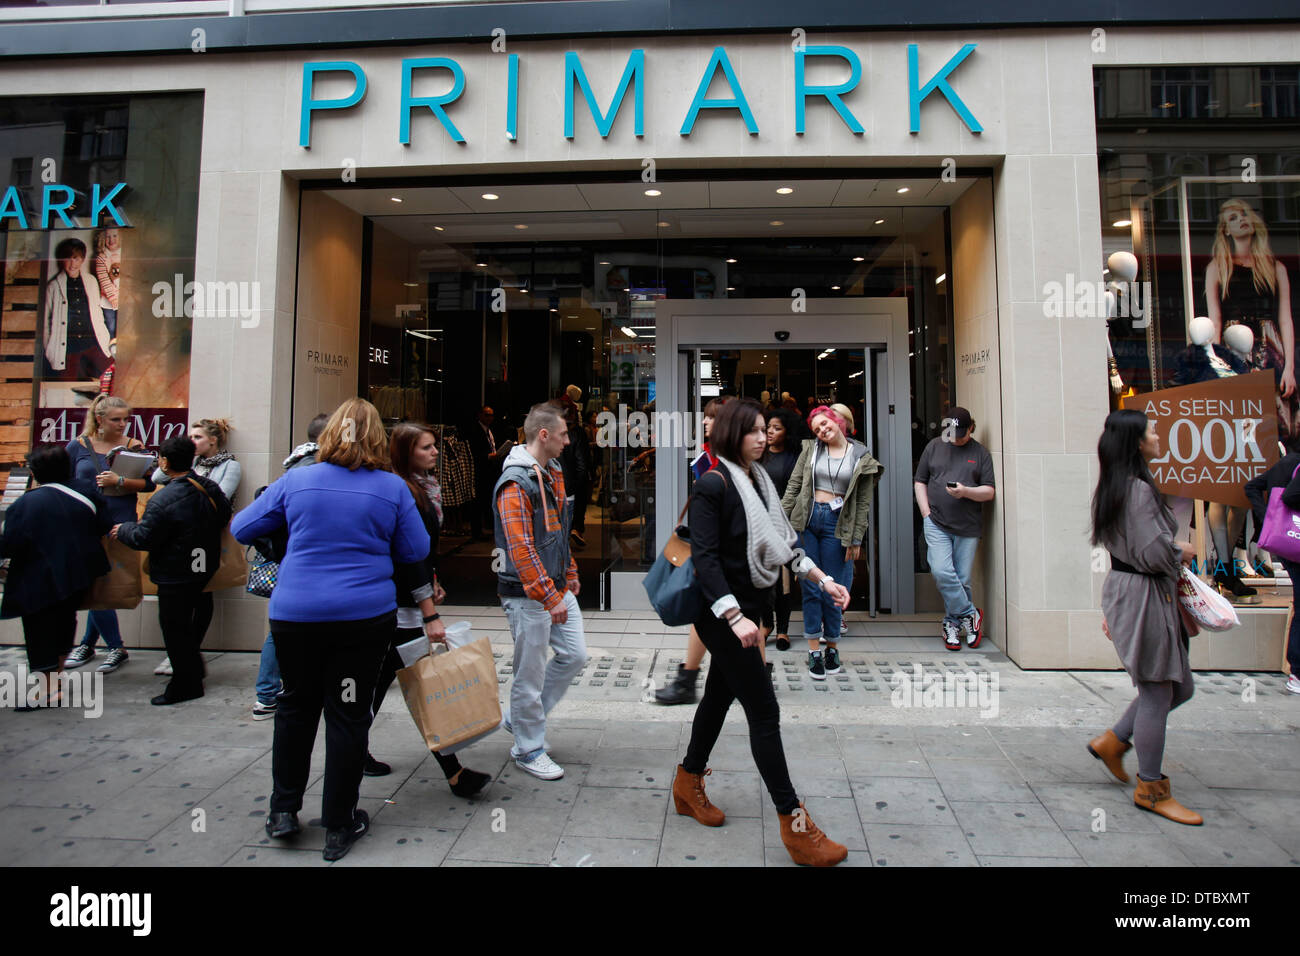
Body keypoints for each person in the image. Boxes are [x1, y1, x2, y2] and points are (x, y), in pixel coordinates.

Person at [232, 399, 434, 861]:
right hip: (361, 617)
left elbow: (243, 527)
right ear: (378, 439)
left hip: (296, 613)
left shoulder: (297, 480)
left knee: (295, 707)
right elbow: (415, 549)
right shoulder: (392, 488)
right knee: (348, 714)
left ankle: (283, 811)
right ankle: (339, 824)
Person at [672, 398, 852, 866]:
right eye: (753, 430)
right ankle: (795, 825)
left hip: (751, 609)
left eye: (763, 429)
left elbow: (786, 544)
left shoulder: (759, 482)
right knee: (765, 713)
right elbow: (706, 560)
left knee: (717, 698)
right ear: (733, 434)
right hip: (724, 617)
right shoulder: (712, 484)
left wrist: (824, 580)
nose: (762, 436)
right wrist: (735, 618)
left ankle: (687, 782)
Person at [1086, 409, 1203, 826]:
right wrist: (1182, 550)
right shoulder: (1135, 490)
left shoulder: (1122, 487)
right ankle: (1151, 788)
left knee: (1179, 686)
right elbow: (1154, 553)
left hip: (1140, 592)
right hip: (1143, 593)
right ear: (1137, 442)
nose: (1158, 436)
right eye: (1152, 431)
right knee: (1159, 691)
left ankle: (1115, 740)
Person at [367, 421, 492, 796]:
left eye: (434, 446)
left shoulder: (425, 488)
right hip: (401, 604)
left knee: (383, 683)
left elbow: (422, 554)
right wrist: (428, 612)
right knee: (421, 684)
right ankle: (454, 773)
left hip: (404, 600)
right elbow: (408, 555)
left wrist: (432, 579)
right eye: (425, 448)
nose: (435, 452)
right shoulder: (404, 492)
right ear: (405, 453)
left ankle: (352, 743)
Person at [494, 402, 586, 780]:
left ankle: (520, 719)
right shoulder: (516, 482)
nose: (569, 441)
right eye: (563, 435)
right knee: (528, 673)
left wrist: (569, 569)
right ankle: (528, 748)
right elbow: (521, 547)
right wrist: (549, 595)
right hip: (526, 593)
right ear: (544, 435)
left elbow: (558, 529)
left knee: (574, 655)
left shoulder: (553, 470)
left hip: (554, 585)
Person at [112, 435, 231, 705]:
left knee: (175, 629)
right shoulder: (208, 487)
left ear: (164, 462)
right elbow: (223, 515)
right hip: (204, 565)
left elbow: (145, 537)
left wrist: (124, 530)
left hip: (175, 572)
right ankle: (193, 670)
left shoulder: (162, 500)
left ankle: (185, 683)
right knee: (190, 622)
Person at [0, 445, 111, 710]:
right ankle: (56, 680)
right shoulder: (87, 492)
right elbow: (104, 525)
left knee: (39, 633)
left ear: (36, 472)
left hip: (38, 579)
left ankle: (45, 691)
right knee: (64, 623)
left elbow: (9, 544)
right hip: (80, 573)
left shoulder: (27, 502)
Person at [781, 405, 882, 678]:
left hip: (839, 525)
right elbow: (794, 484)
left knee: (834, 588)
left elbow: (862, 502)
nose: (822, 431)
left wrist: (857, 536)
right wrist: (780, 518)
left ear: (837, 422)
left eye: (825, 425)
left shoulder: (860, 455)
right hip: (809, 520)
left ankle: (832, 647)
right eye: (817, 429)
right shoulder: (811, 450)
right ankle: (814, 650)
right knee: (812, 586)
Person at [63, 395, 156, 674]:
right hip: (85, 522)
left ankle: (114, 647)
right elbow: (64, 480)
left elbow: (149, 484)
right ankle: (93, 644)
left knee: (106, 584)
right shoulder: (77, 446)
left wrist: (120, 481)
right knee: (97, 584)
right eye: (116, 419)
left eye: (125, 419)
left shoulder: (133, 446)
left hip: (118, 524)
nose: (122, 424)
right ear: (99, 419)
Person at [251, 412, 329, 720]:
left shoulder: (298, 465)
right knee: (285, 630)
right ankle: (269, 693)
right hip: (302, 562)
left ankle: (272, 691)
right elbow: (246, 525)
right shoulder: (309, 470)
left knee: (289, 628)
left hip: (299, 560)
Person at [152, 417, 242, 678]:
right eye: (190, 437)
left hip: (206, 538)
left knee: (202, 595)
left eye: (197, 437)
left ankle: (188, 651)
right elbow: (159, 476)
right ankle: (179, 653)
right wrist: (184, 460)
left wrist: (185, 482)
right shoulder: (189, 463)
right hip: (178, 539)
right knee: (177, 602)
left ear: (213, 440)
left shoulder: (229, 465)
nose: (192, 441)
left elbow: (219, 496)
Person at [1206, 198, 1295, 439]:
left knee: (1275, 408)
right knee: (1239, 407)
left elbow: (1285, 318)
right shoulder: (1218, 267)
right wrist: (1214, 362)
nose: (1242, 219)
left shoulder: (1275, 268)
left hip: (1270, 342)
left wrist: (1290, 367)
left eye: (1245, 214)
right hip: (1234, 341)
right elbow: (1215, 318)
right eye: (1233, 218)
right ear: (1226, 230)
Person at [657, 398, 726, 704]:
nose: (704, 423)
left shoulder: (726, 462)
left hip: (721, 553)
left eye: (711, 418)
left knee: (732, 617)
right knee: (716, 617)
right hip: (712, 551)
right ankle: (690, 678)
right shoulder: (709, 456)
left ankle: (689, 680)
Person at [912, 406, 996, 651]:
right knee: (941, 572)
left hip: (967, 526)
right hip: (936, 521)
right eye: (952, 433)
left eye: (961, 433)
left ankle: (952, 623)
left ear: (971, 427)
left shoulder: (980, 453)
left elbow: (989, 492)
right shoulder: (935, 446)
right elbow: (920, 481)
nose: (956, 438)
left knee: (962, 579)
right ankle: (970, 615)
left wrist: (966, 491)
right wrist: (926, 513)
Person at [1243, 437, 1300, 695]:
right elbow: (1292, 495)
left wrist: (1267, 516)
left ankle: (1296, 670)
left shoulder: (1285, 463)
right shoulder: (1295, 464)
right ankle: (1297, 672)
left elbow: (1251, 486)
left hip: (1288, 545)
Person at [759, 407, 806, 654]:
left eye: (776, 428)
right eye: (768, 428)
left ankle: (783, 629)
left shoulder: (794, 458)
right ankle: (766, 624)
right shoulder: (759, 455)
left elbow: (797, 493)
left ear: (787, 432)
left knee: (785, 580)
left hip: (786, 525)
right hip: (760, 526)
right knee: (765, 578)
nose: (770, 432)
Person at [42, 236, 112, 380]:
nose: (72, 263)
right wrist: (50, 350)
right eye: (68, 258)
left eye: (77, 258)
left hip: (93, 345)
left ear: (82, 259)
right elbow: (45, 324)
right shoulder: (53, 286)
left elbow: (98, 314)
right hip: (68, 350)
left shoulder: (91, 281)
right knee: (69, 388)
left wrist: (104, 338)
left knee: (111, 378)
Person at [467, 404, 508, 540]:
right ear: (480, 415)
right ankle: (477, 532)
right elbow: (475, 452)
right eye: (487, 415)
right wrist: (490, 456)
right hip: (480, 469)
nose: (490, 418)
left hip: (491, 469)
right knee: (479, 501)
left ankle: (487, 528)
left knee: (488, 499)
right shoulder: (475, 430)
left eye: (491, 415)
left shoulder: (490, 430)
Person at [92, 226, 121, 338]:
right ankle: (112, 347)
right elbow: (103, 279)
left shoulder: (126, 254)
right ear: (103, 240)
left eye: (114, 236)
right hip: (108, 300)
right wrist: (113, 298)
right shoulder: (102, 258)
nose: (111, 239)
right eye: (107, 237)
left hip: (125, 298)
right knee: (111, 325)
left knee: (123, 325)